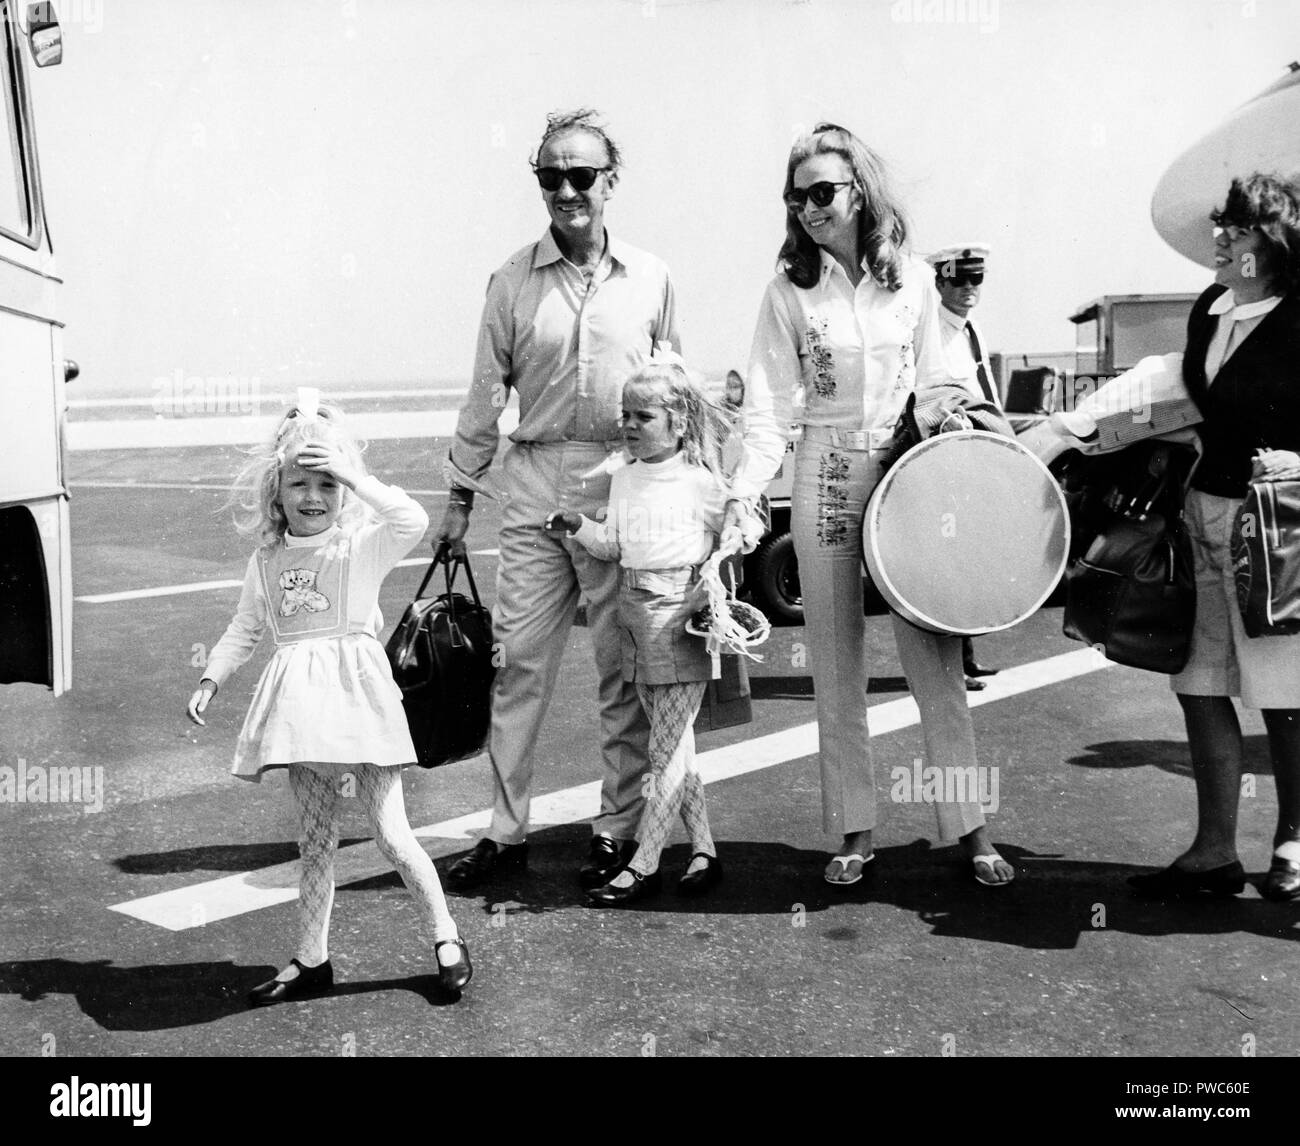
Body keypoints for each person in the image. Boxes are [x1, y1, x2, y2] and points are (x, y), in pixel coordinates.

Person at [724, 123, 1015, 888]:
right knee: (835, 659)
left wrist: (954, 429)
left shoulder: (913, 280)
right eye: (797, 197)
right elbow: (768, 405)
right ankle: (854, 830)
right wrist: (743, 494)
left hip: (902, 462)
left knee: (935, 654)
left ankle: (970, 828)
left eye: (824, 192)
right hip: (823, 467)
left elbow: (938, 377)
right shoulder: (788, 289)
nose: (811, 208)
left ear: (860, 192)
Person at [436, 109, 679, 892]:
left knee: (621, 667)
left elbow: (676, 395)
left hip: (621, 485)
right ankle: (506, 834)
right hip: (534, 479)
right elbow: (483, 398)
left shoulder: (652, 279)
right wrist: (458, 501)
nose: (567, 190)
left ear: (612, 181)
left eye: (583, 175)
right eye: (552, 176)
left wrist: (698, 502)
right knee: (517, 666)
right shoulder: (509, 281)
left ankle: (616, 828)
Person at [185, 398, 471, 1003]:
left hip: (359, 702)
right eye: (300, 483)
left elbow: (411, 520)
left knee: (392, 833)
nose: (314, 496)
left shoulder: (358, 546)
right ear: (278, 490)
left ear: (343, 490)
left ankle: (446, 936)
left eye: (327, 484)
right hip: (300, 715)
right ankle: (312, 959)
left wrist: (354, 475)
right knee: (314, 841)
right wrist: (212, 676)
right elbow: (246, 626)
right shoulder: (266, 560)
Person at [1128, 172, 1300, 902]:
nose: (1221, 241)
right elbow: (1180, 393)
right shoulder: (1211, 308)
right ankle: (1213, 851)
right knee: (1199, 684)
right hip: (1205, 514)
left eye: (1238, 229)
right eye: (1221, 227)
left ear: (1276, 241)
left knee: (1286, 694)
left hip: (1277, 526)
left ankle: (1293, 845)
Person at [547, 362, 752, 904]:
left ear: (680, 422)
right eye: (625, 415)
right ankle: (704, 850)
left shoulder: (700, 482)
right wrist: (580, 528)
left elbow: (743, 525)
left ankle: (645, 863)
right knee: (675, 749)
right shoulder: (626, 477)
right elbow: (614, 547)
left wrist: (735, 528)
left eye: (644, 416)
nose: (629, 426)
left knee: (664, 752)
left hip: (681, 618)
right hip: (631, 615)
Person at [927, 242, 1001, 690]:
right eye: (959, 279)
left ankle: (966, 658)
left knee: (967, 562)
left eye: (977, 278)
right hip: (947, 460)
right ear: (939, 282)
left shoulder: (971, 329)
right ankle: (950, 667)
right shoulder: (932, 331)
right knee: (949, 565)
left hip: (974, 456)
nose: (969, 288)